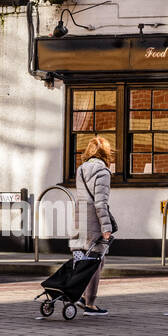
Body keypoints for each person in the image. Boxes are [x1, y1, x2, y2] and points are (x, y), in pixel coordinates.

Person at [69, 135, 116, 317]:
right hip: (94, 222)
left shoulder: (81, 170)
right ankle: (90, 304)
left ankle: (81, 295)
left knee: (82, 260)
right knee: (97, 261)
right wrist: (106, 228)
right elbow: (100, 203)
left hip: (79, 219)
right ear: (106, 153)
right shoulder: (103, 173)